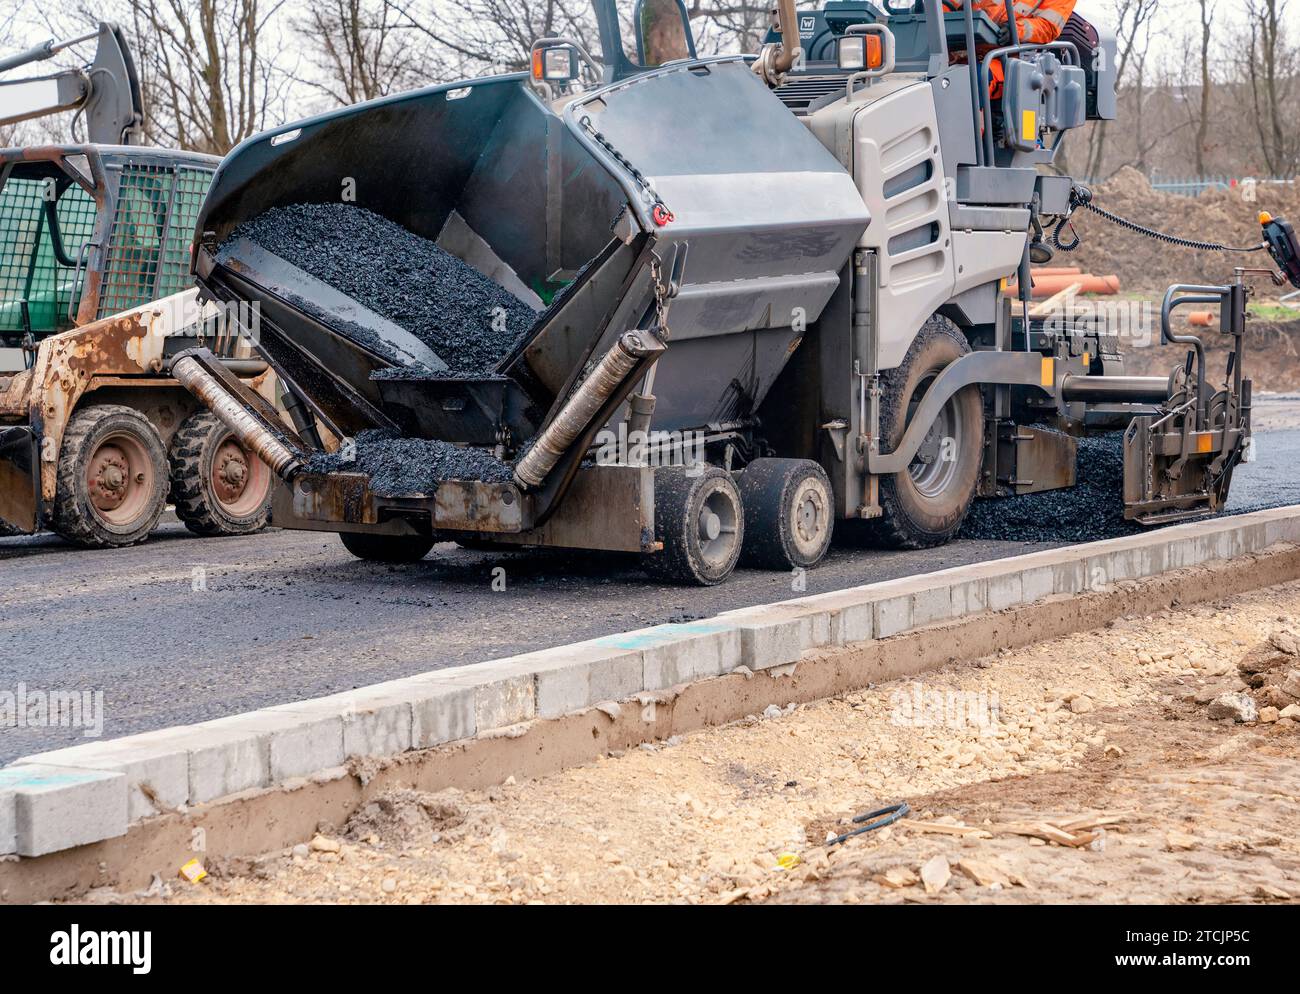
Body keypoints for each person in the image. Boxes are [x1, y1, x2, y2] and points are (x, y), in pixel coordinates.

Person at [941, 0, 1078, 97]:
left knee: (971, 79)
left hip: (1007, 60)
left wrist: (1015, 30)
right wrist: (938, 21)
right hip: (960, 48)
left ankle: (973, 133)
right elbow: (947, 3)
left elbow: (1048, 26)